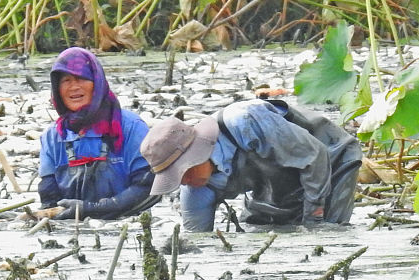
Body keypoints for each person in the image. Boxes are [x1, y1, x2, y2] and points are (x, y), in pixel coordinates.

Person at [140, 98, 362, 232]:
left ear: (197, 153)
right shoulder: (195, 190)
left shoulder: (245, 121)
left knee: (325, 232)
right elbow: (198, 239)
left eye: (184, 171)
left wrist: (314, 217)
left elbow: (314, 156)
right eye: (177, 179)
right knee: (259, 230)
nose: (186, 182)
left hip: (330, 159)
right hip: (276, 184)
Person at [38, 47, 157, 220]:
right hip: (73, 227)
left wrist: (91, 209)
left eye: (81, 78)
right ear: (57, 89)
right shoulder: (53, 137)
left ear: (97, 82)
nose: (74, 87)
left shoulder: (131, 127)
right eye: (66, 80)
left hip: (127, 222)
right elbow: (50, 198)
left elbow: (149, 187)